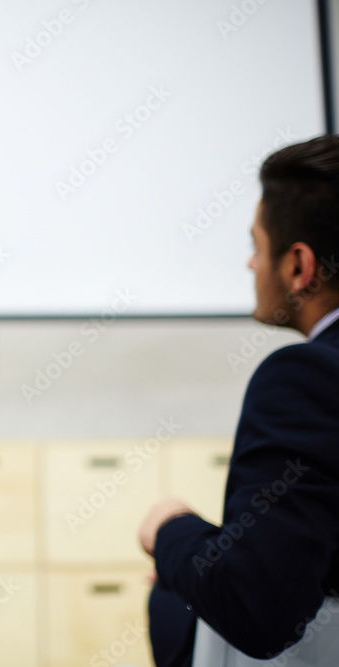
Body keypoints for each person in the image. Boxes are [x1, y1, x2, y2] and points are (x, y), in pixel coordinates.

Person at [139, 135, 339, 665]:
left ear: (299, 266)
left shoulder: (304, 376)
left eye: (257, 245)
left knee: (171, 601)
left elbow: (255, 609)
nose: (251, 263)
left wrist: (170, 527)